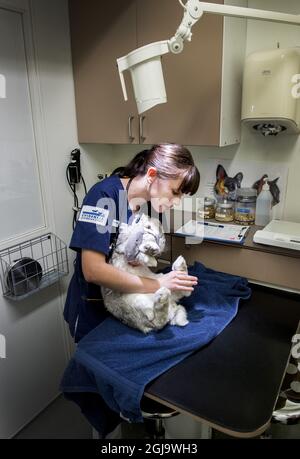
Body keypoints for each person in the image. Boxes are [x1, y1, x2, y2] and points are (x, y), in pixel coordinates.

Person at [63, 143, 200, 342]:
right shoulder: (104, 197)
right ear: (152, 175)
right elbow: (93, 270)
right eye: (175, 192)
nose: (177, 201)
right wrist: (158, 283)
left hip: (128, 307)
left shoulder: (144, 205)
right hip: (94, 313)